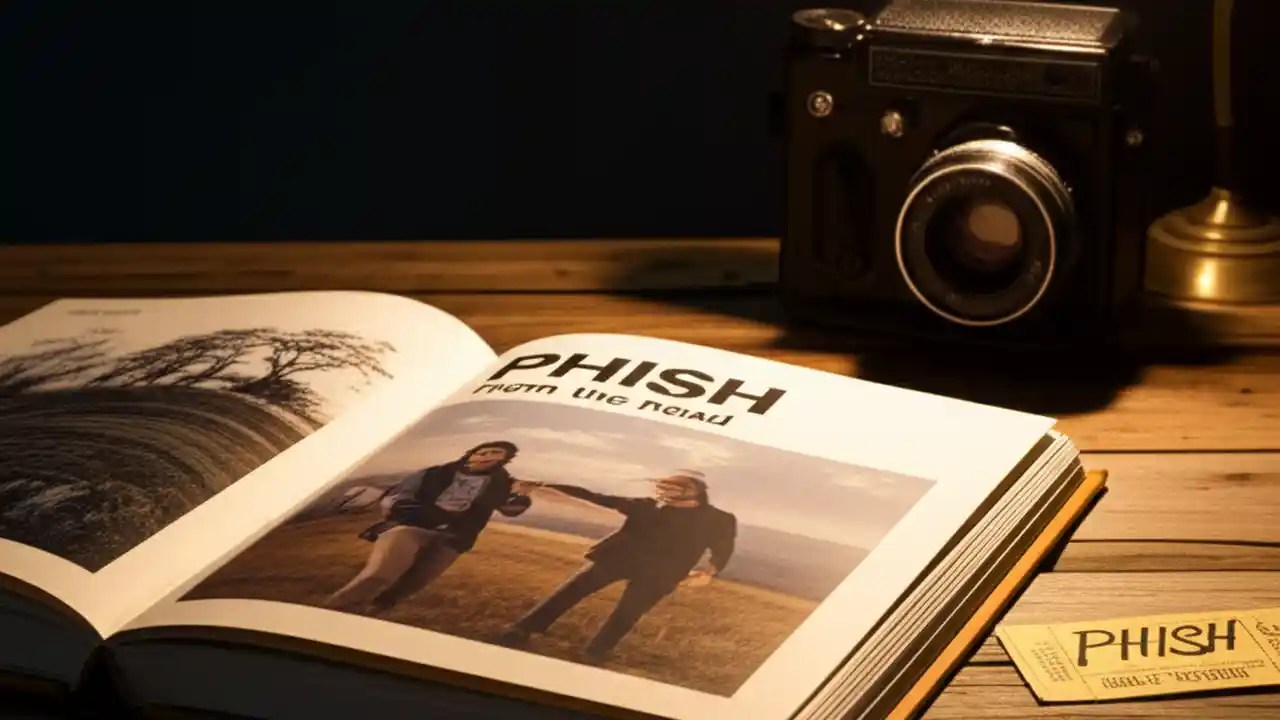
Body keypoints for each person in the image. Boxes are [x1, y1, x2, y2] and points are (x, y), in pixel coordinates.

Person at [498, 470, 736, 663]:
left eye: (673, 486)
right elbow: (596, 497)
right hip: (616, 560)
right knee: (569, 592)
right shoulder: (646, 505)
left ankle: (596, 651)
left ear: (694, 491)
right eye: (663, 485)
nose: (664, 489)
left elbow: (723, 547)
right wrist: (547, 485)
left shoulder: (719, 519)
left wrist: (710, 570)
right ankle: (523, 629)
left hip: (660, 573)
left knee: (627, 613)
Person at [323, 440, 531, 616]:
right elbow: (397, 497)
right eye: (483, 452)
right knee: (380, 573)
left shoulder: (501, 485)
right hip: (410, 527)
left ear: (504, 460)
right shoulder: (434, 473)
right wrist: (419, 514)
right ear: (471, 454)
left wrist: (521, 494)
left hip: (455, 538)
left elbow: (511, 510)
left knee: (412, 584)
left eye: (496, 454)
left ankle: (370, 615)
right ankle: (332, 612)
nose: (487, 456)